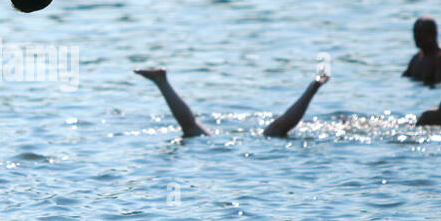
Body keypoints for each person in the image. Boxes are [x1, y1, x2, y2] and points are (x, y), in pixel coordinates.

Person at [133, 68, 329, 139]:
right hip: (244, 146)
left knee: (191, 130)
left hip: (245, 147)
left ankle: (161, 82)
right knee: (275, 132)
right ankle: (161, 82)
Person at [403, 17, 441, 85]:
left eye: (420, 32)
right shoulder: (416, 58)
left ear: (433, 34)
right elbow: (404, 79)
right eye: (415, 32)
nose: (416, 36)